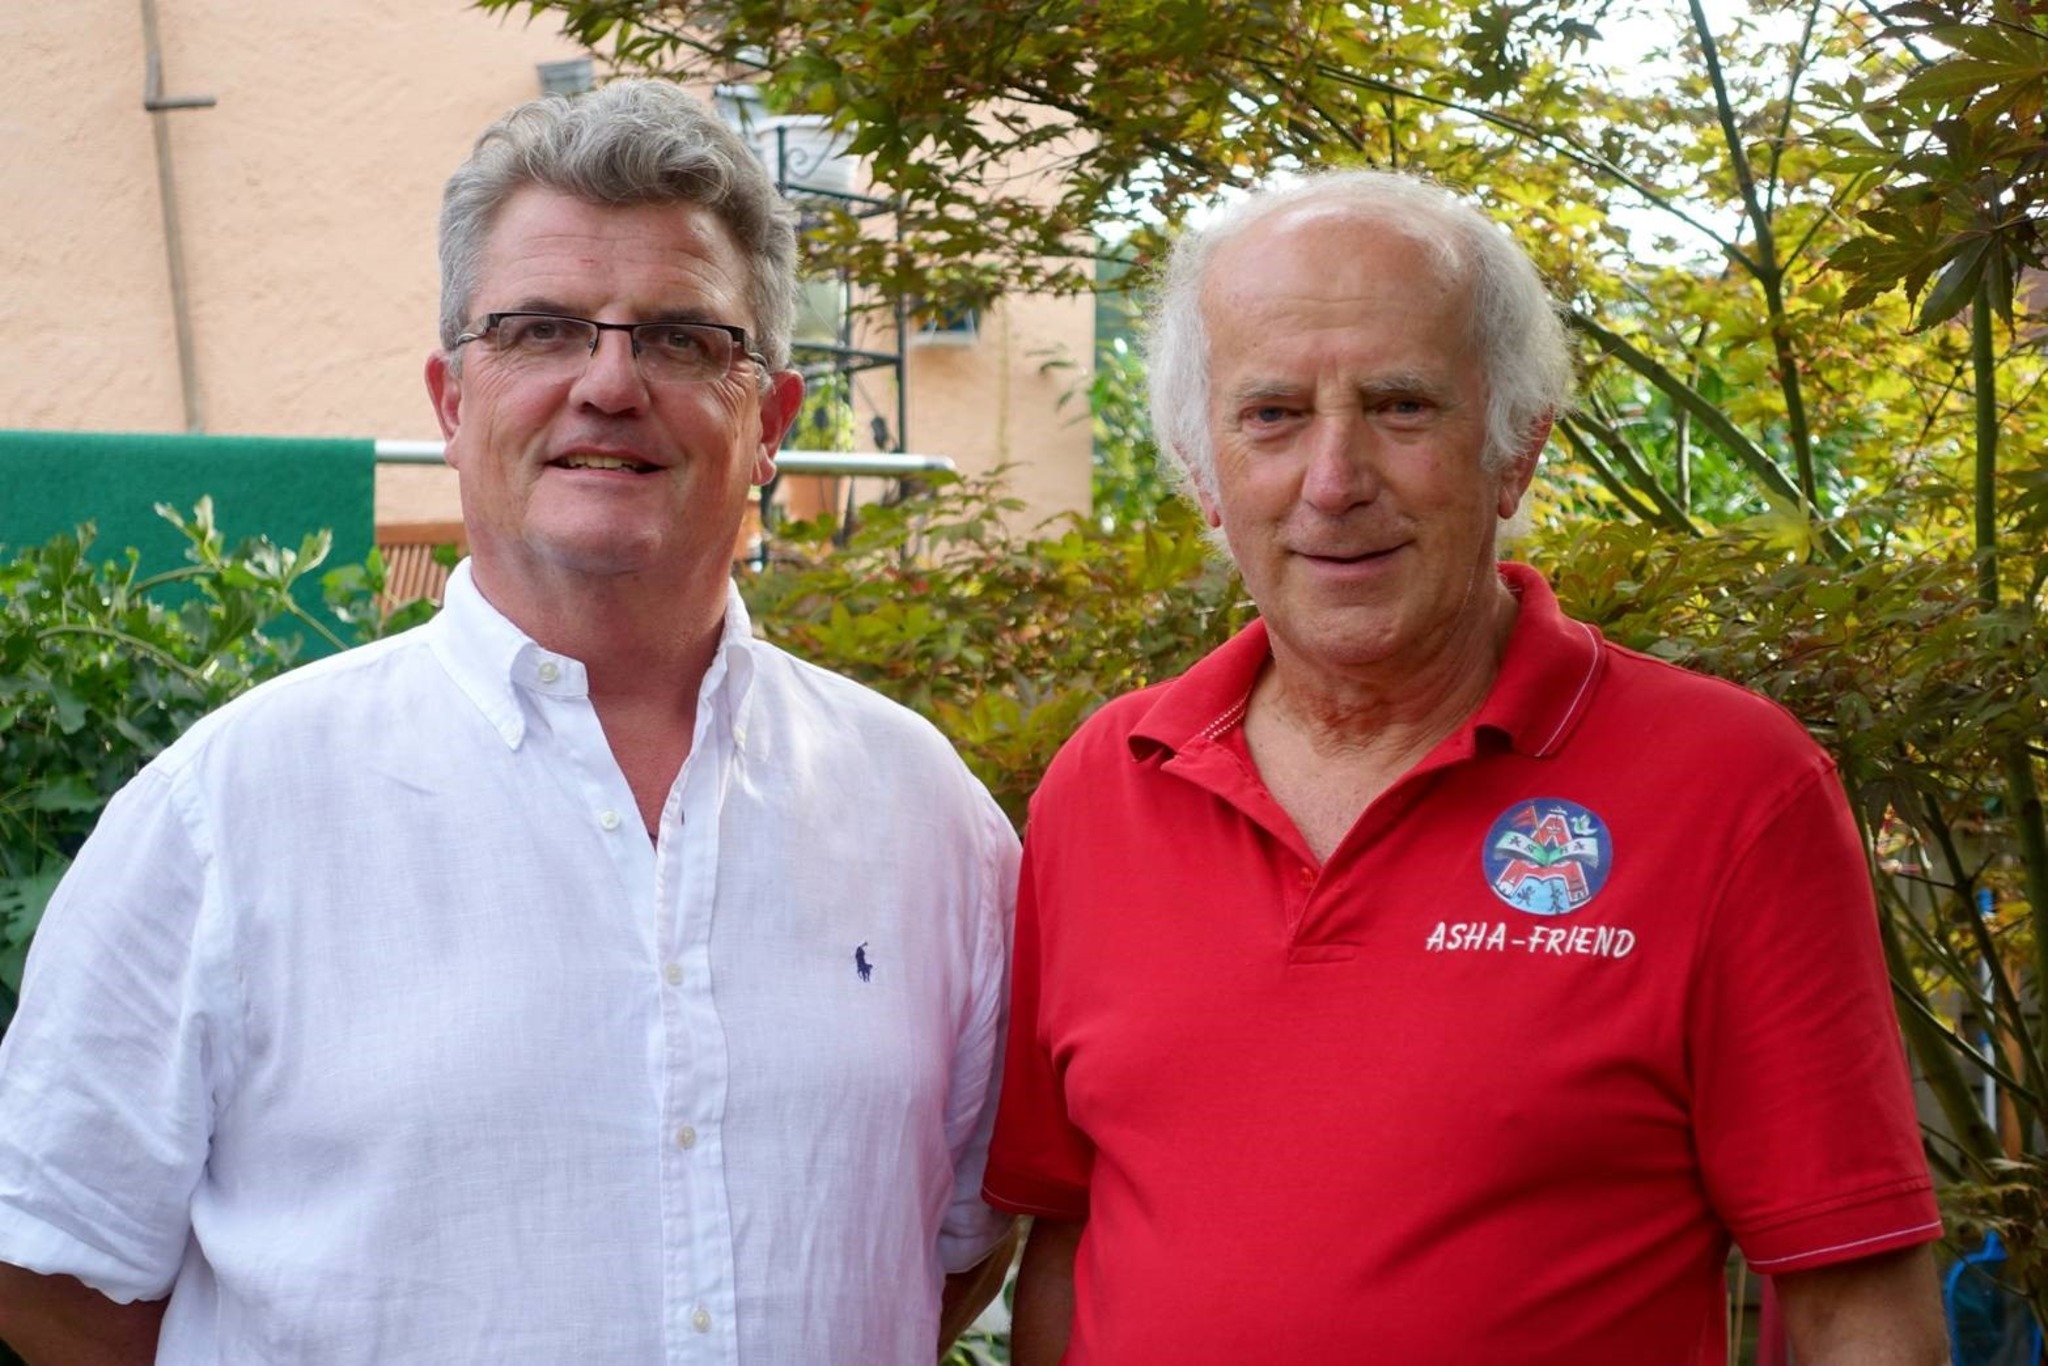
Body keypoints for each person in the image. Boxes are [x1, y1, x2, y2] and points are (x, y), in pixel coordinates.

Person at [0, 80, 1017, 1364]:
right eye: (541, 331)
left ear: (770, 422)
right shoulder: (226, 813)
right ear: (450, 401)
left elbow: (950, 1244)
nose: (609, 383)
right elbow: (51, 1271)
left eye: (680, 338)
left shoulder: (924, 814)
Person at [981, 169, 1947, 1364]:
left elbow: (1858, 1308)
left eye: (1399, 406)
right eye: (1271, 414)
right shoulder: (1104, 783)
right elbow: (1069, 1235)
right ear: (1201, 471)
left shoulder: (1731, 787)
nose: (1332, 481)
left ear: (1514, 450)